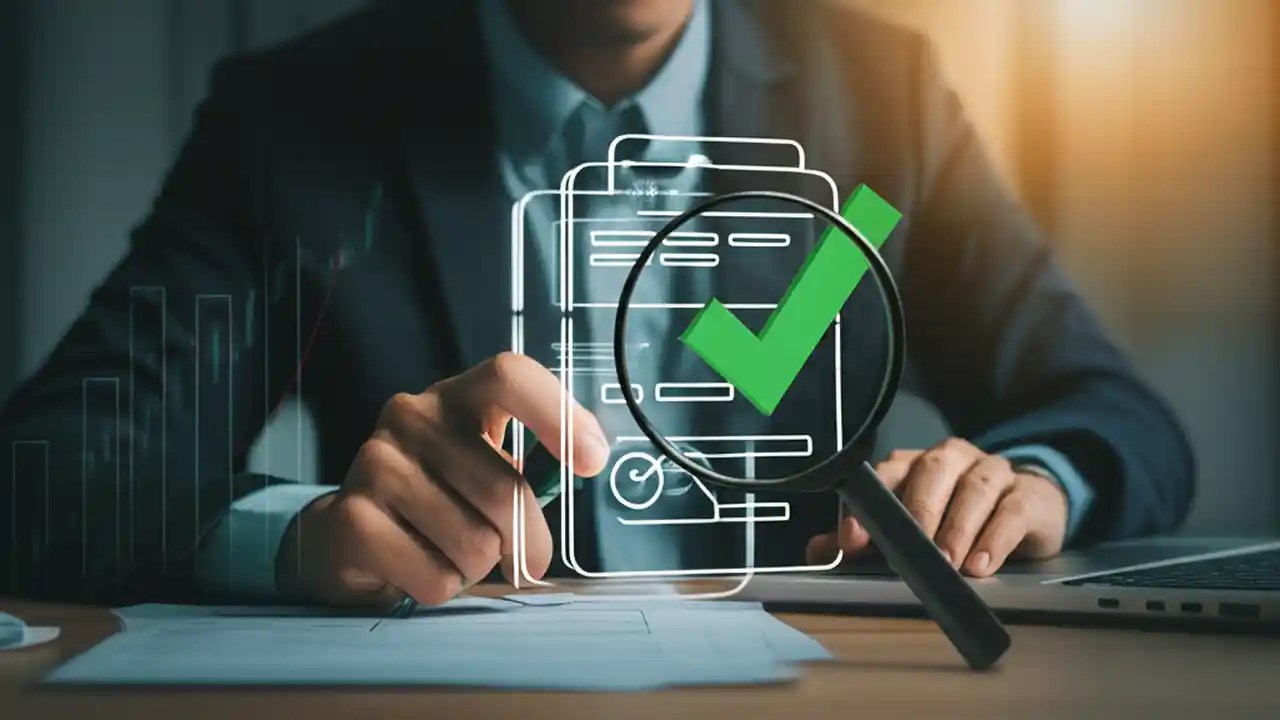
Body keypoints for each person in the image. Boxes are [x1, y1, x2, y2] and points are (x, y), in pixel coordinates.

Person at [0, 0, 1194, 606]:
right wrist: (302, 535)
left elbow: (1109, 413)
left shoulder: (876, 101)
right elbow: (47, 470)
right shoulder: (300, 124)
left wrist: (1026, 484)